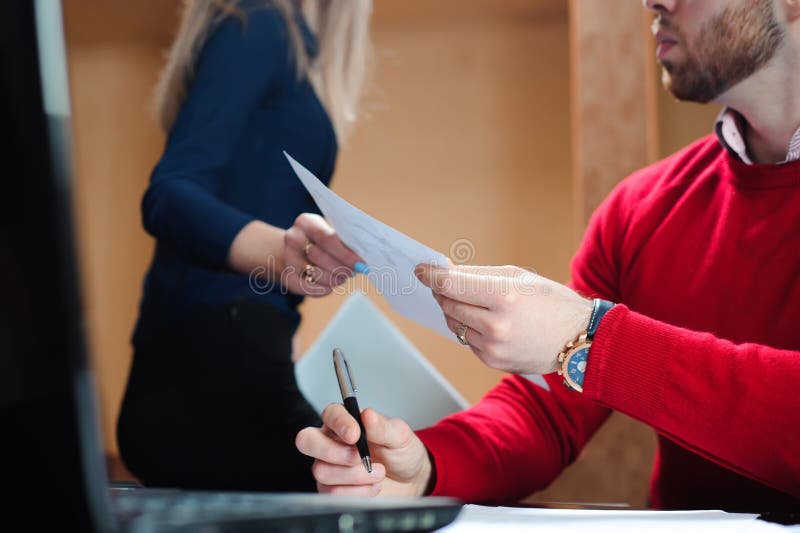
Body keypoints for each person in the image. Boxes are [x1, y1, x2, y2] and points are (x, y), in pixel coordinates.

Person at [295, 0, 800, 511]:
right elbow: (548, 410)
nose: (654, 2)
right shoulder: (641, 209)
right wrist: (424, 467)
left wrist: (591, 338)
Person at [117, 0, 372, 492]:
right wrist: (283, 254)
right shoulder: (257, 24)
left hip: (246, 351)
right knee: (354, 481)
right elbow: (169, 192)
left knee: (361, 472)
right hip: (204, 371)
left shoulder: (290, 44)